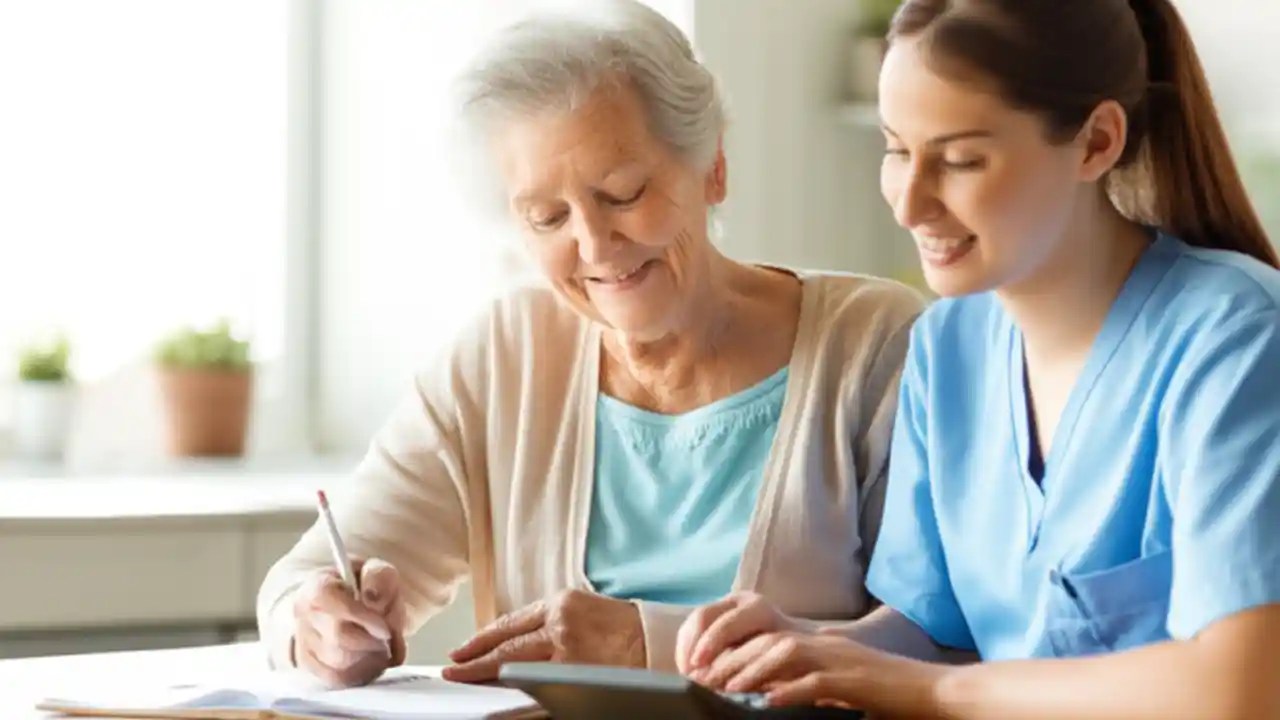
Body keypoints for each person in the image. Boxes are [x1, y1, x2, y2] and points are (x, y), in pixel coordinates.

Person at [256, 0, 924, 688]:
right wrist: (320, 626)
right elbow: (301, 582)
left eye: (624, 193)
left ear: (713, 166)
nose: (596, 245)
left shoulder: (870, 344)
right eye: (547, 217)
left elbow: (938, 644)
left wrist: (646, 644)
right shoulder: (502, 357)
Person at [675, 0, 1280, 717]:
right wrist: (808, 647)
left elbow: (1243, 688)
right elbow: (938, 631)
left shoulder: (1235, 340)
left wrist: (929, 691)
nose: (909, 203)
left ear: (1096, 143)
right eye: (897, 149)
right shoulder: (947, 345)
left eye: (960, 160)